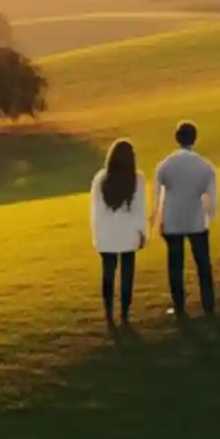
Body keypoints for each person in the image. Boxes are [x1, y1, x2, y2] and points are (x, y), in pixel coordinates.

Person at [153, 121, 218, 317]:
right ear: (195, 138)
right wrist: (209, 216)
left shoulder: (166, 164)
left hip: (173, 220)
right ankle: (208, 304)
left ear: (177, 138)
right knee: (203, 264)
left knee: (175, 265)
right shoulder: (205, 166)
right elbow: (211, 197)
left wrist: (158, 219)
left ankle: (179, 306)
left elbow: (158, 194)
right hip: (196, 220)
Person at [90, 139, 147, 325]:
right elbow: (140, 209)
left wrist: (96, 235)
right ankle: (124, 313)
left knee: (108, 274)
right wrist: (142, 233)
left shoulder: (101, 179)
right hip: (128, 234)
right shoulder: (137, 179)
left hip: (107, 235)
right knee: (127, 275)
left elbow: (95, 211)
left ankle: (108, 313)